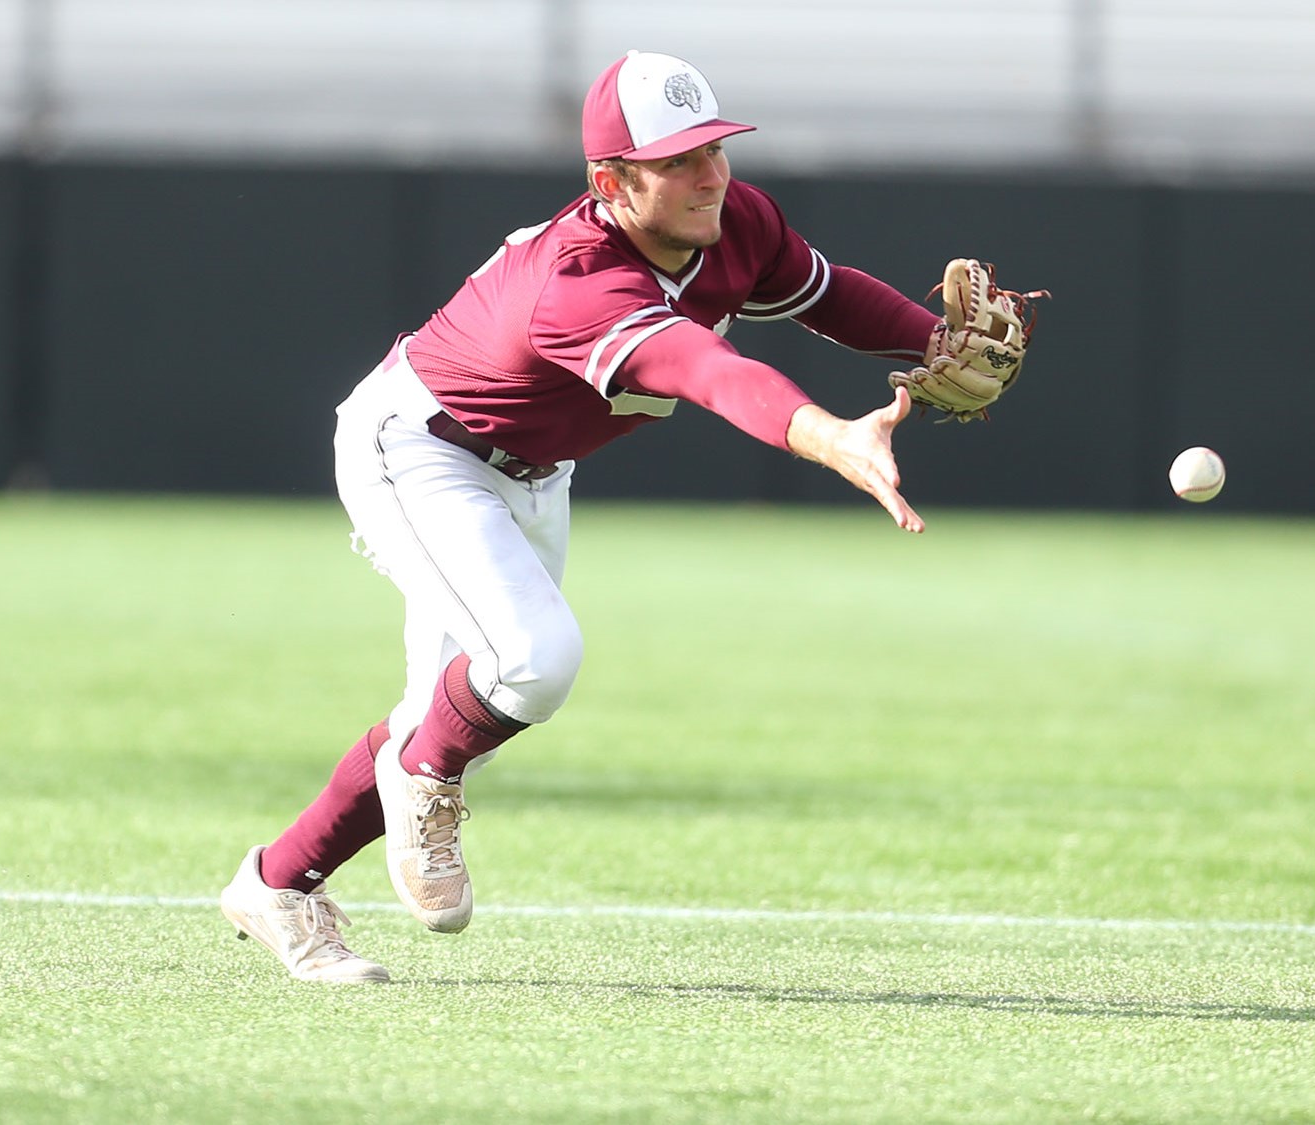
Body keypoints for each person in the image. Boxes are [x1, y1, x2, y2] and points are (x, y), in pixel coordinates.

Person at [220, 49, 956, 982]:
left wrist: (934, 339)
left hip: (535, 468)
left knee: (449, 710)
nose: (709, 175)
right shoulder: (580, 279)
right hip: (422, 448)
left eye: (715, 147)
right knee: (531, 662)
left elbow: (828, 293)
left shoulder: (737, 219)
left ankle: (278, 884)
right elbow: (709, 373)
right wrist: (829, 435)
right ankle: (417, 778)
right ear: (610, 182)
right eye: (677, 160)